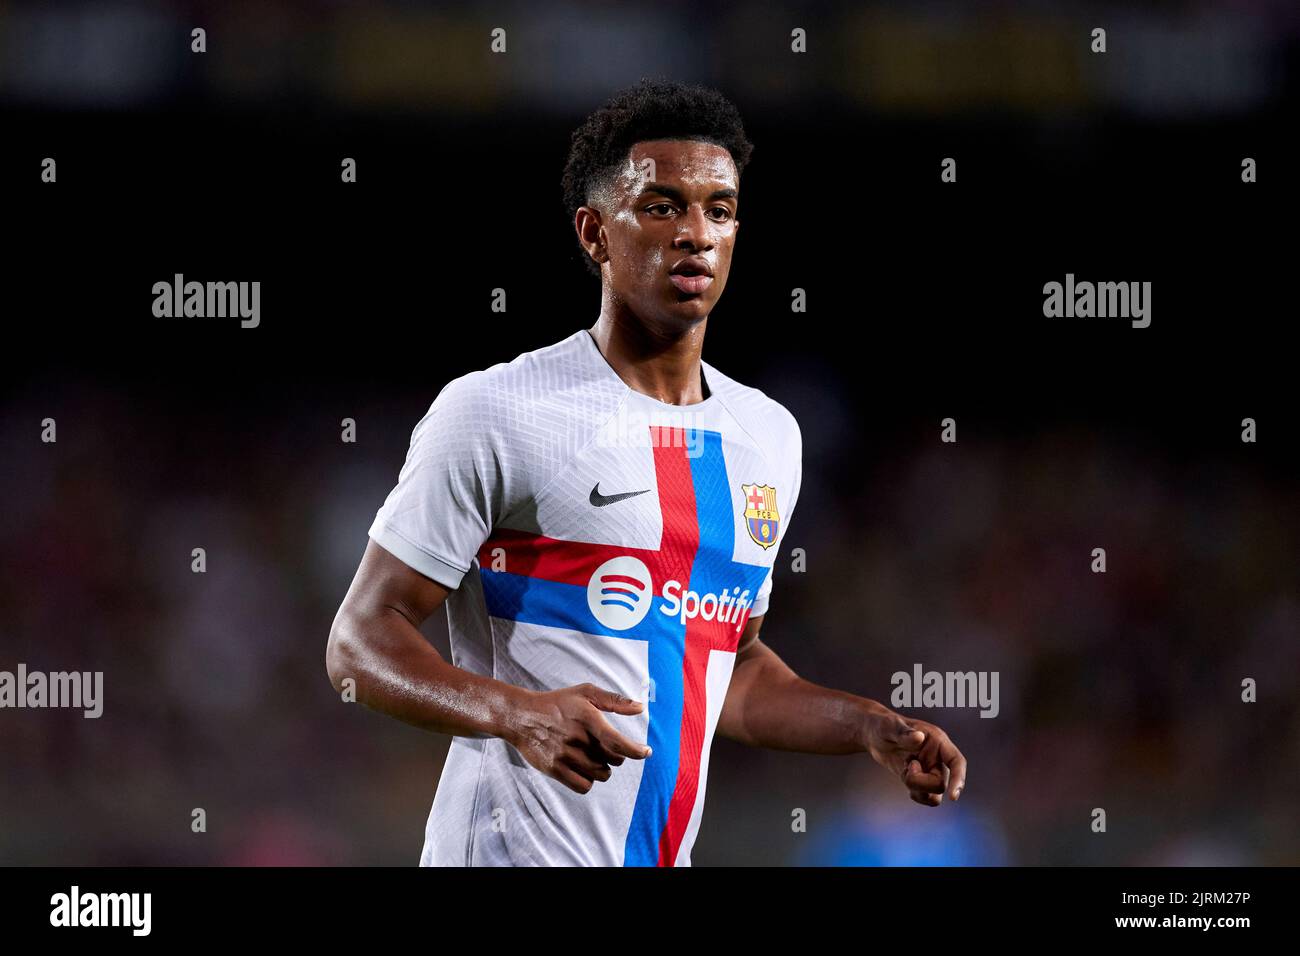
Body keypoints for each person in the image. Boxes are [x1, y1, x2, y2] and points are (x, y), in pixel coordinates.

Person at [327, 78, 966, 866]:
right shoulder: (498, 410)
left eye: (719, 210)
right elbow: (358, 642)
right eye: (662, 206)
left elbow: (722, 667)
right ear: (595, 233)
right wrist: (516, 712)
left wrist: (866, 725)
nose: (696, 233)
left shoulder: (767, 436)